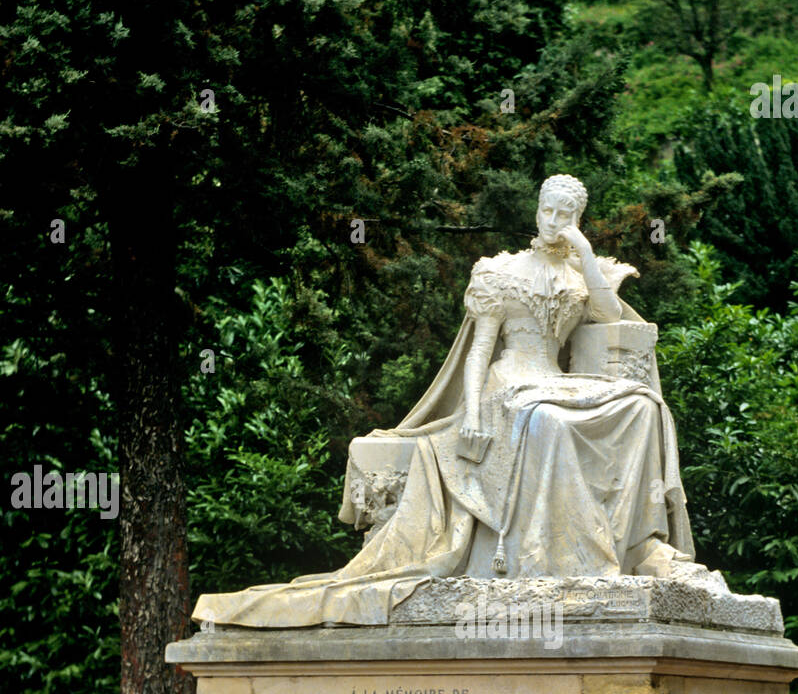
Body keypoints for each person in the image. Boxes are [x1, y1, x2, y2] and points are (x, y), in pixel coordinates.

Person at [193, 174, 694, 629]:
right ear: (536, 210)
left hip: (557, 380)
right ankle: (562, 557)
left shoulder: (584, 272)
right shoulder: (501, 273)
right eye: (549, 212)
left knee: (645, 407)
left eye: (567, 216)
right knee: (547, 423)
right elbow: (480, 351)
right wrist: (474, 412)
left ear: (578, 220)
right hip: (512, 384)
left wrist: (584, 254)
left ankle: (640, 543)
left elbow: (608, 318)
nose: (555, 223)